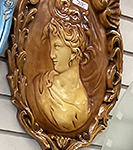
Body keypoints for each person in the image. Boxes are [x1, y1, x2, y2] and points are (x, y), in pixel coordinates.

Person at [30, 1, 90, 134]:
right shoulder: (40, 85)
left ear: (74, 52)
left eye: (57, 46)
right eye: (51, 47)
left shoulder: (81, 108)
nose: (51, 55)